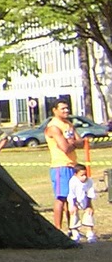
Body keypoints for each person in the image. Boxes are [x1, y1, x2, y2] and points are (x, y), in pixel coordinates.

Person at [44, 100, 84, 233]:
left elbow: (81, 142)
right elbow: (65, 148)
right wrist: (73, 143)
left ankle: (72, 228)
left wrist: (73, 142)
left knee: (71, 199)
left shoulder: (68, 124)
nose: (66, 111)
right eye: (63, 109)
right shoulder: (53, 127)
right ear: (55, 110)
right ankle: (58, 229)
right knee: (61, 198)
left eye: (67, 108)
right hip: (60, 166)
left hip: (73, 165)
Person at [67, 164, 97, 243]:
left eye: (85, 174)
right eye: (82, 175)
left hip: (84, 199)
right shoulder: (72, 181)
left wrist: (89, 205)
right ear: (75, 175)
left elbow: (90, 193)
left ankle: (90, 233)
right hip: (74, 200)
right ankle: (75, 233)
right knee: (73, 214)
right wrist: (73, 205)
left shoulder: (89, 181)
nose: (84, 177)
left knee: (89, 213)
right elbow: (72, 194)